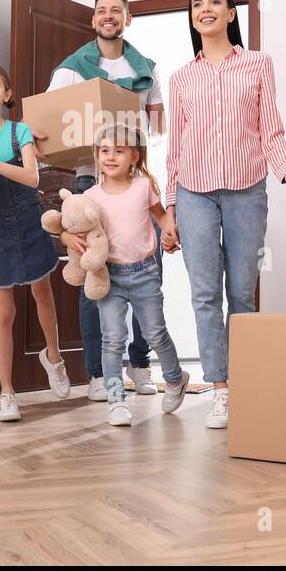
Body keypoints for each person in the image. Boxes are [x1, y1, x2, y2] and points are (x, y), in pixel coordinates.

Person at [162, 0, 286, 429]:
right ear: (192, 18)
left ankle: (246, 382)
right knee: (205, 294)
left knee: (243, 293)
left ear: (232, 14)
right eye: (197, 4)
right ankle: (220, 390)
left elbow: (269, 128)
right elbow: (175, 149)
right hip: (194, 193)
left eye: (215, 2)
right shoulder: (181, 79)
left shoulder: (256, 64)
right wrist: (169, 210)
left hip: (247, 190)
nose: (205, 9)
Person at [42, 0, 166, 401]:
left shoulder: (146, 69)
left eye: (116, 11)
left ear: (128, 19)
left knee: (145, 273)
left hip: (133, 184)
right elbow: (49, 128)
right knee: (96, 278)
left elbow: (160, 128)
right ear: (93, 20)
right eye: (101, 12)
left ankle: (141, 365)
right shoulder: (70, 71)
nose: (108, 17)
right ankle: (97, 373)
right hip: (86, 184)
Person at [0, 63, 71, 422]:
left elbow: (31, 176)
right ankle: (7, 393)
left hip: (28, 216)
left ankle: (54, 357)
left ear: (7, 95)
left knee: (43, 293)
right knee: (4, 311)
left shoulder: (19, 132)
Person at [68, 124, 189, 427]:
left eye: (118, 151)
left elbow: (161, 217)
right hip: (109, 277)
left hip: (145, 272)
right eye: (104, 151)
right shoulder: (92, 195)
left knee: (155, 333)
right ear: (97, 156)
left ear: (134, 156)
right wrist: (69, 240)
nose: (110, 157)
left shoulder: (143, 185)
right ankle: (116, 401)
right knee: (112, 340)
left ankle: (175, 378)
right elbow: (73, 227)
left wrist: (171, 235)